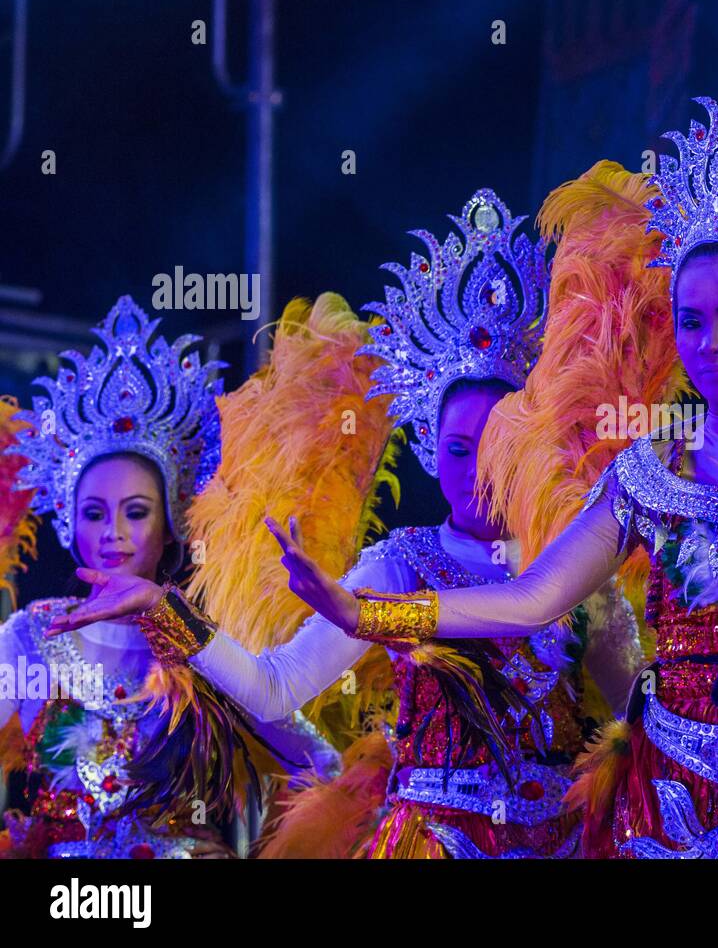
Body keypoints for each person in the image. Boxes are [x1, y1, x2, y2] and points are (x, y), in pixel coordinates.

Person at [265, 42, 718, 859]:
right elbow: (534, 598)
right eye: (690, 321)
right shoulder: (648, 474)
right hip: (677, 808)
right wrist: (366, 614)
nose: (711, 343)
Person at [50, 193, 643, 859]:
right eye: (457, 448)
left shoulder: (573, 572)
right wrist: (166, 609)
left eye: (499, 439)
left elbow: (639, 720)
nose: (478, 466)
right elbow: (275, 688)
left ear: (529, 439)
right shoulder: (400, 564)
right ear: (426, 449)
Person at [0, 297, 334, 858]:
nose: (114, 533)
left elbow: (321, 764)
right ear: (67, 523)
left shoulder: (205, 644)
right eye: (94, 513)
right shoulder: (31, 638)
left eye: (135, 512)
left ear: (171, 523)